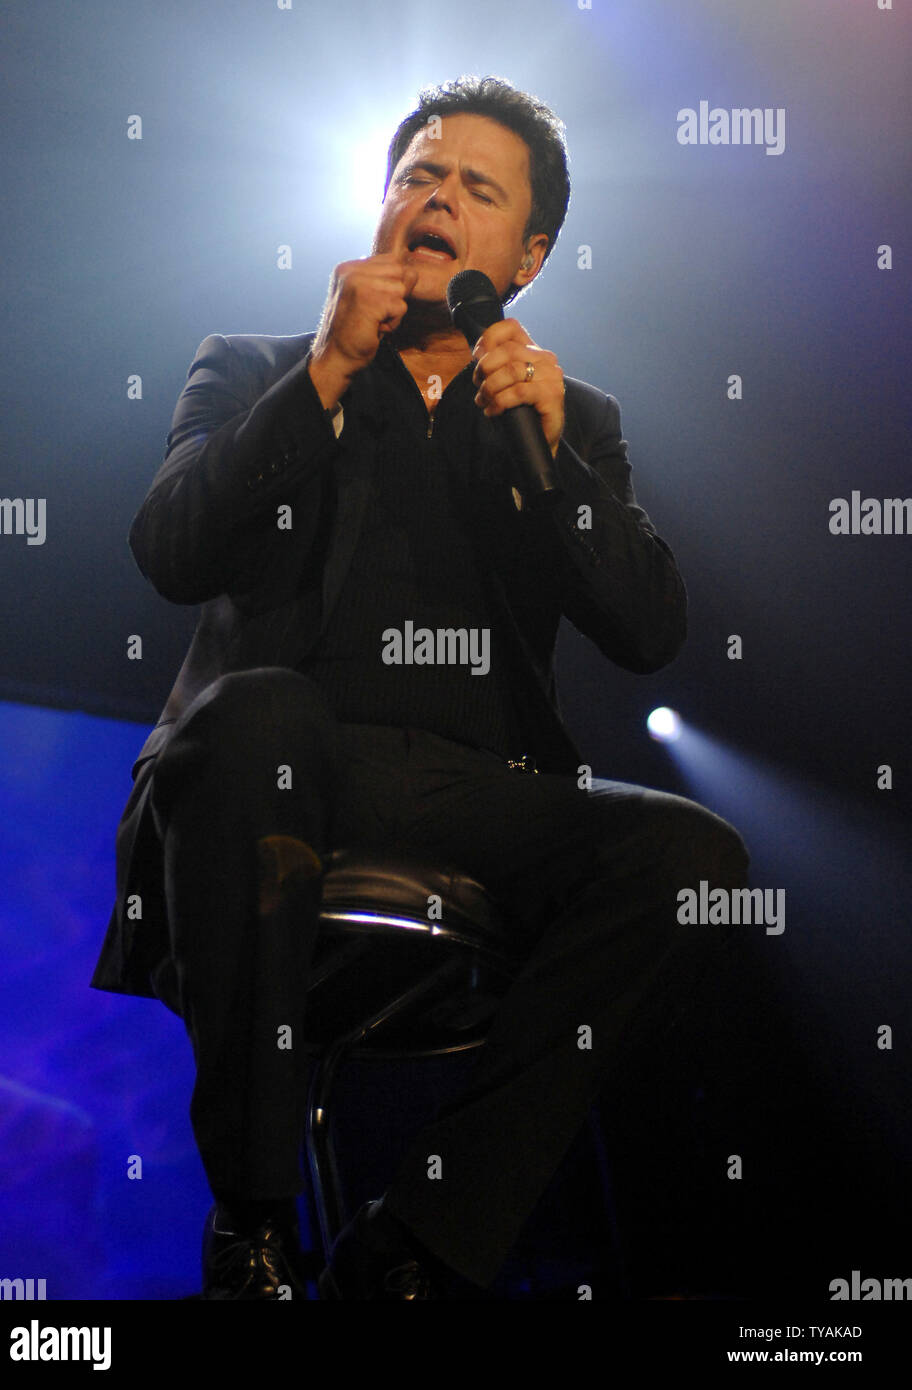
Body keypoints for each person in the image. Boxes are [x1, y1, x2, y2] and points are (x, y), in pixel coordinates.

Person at [91, 75, 750, 1300]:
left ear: (527, 255)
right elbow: (168, 551)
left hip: (469, 793)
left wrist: (557, 471)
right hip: (269, 771)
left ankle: (417, 1250)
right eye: (417, 177)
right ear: (383, 208)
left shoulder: (570, 419)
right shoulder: (252, 365)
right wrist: (325, 374)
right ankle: (253, 1222)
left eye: (475, 189)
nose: (436, 197)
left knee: (694, 860)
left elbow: (652, 630)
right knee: (262, 714)